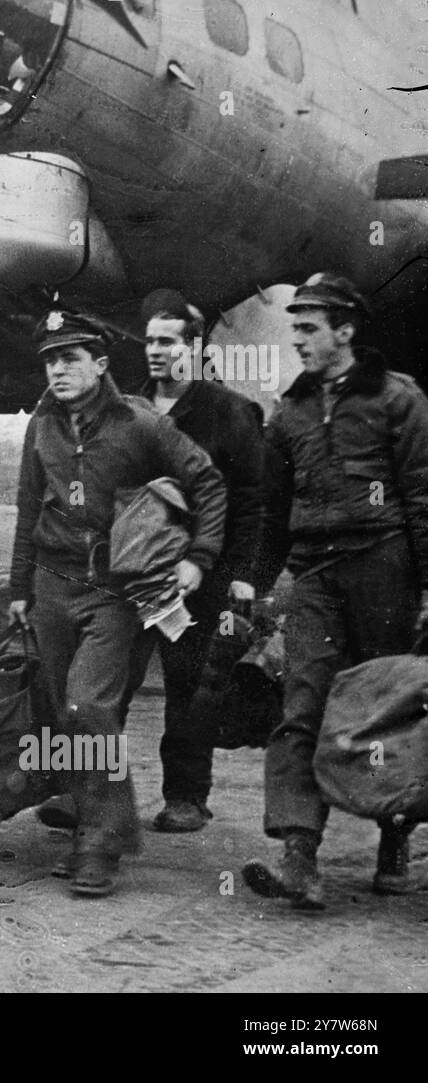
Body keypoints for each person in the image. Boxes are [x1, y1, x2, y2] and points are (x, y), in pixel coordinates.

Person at [7, 309, 226, 897]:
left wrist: (197, 558)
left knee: (88, 707)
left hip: (114, 592)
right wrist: (17, 589)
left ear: (100, 364)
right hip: (53, 582)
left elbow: (206, 480)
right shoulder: (42, 425)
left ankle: (102, 842)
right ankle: (88, 815)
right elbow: (30, 505)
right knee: (60, 710)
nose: (58, 370)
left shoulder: (140, 422)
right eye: (50, 360)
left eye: (70, 358)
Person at [244, 273, 428, 908]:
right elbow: (271, 510)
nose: (296, 339)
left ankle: (393, 838)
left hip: (384, 567)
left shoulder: (398, 400)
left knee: (385, 710)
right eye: (293, 327)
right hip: (315, 574)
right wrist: (256, 583)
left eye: (308, 328)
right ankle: (299, 854)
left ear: (344, 331)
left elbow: (424, 500)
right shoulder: (289, 411)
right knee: (301, 705)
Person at [129, 295, 267, 832]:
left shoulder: (230, 414)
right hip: (136, 569)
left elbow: (254, 504)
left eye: (169, 341)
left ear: (196, 347)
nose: (157, 352)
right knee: (108, 683)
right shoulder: (129, 410)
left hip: (201, 576)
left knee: (188, 688)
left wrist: (244, 578)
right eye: (151, 341)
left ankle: (186, 797)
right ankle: (87, 793)